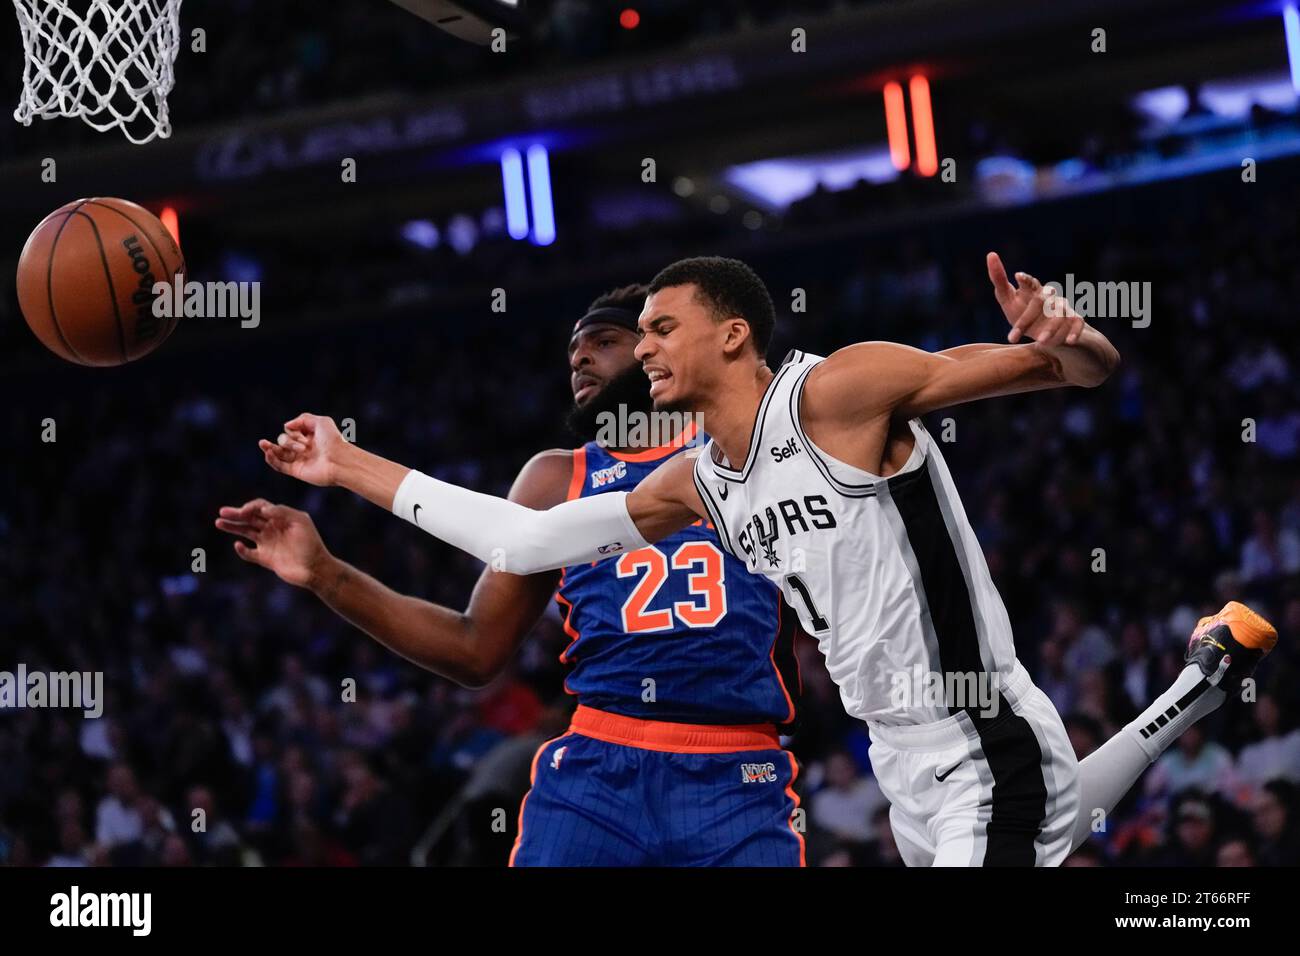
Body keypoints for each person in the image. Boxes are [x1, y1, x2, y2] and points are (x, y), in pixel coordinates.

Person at [241, 255, 1277, 866]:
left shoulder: (834, 394)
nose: (640, 347)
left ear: (733, 335)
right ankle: (1197, 686)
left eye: (660, 326)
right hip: (899, 757)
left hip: (979, 726)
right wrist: (347, 463)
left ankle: (1192, 688)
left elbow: (1066, 369)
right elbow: (519, 541)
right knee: (1044, 828)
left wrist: (1073, 336)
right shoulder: (698, 480)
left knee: (1025, 806)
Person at [217, 285, 806, 866]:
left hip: (737, 768)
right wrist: (324, 573)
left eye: (604, 341)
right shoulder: (554, 479)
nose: (579, 358)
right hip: (599, 769)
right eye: (573, 349)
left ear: (658, 349)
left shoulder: (743, 443)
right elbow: (473, 649)